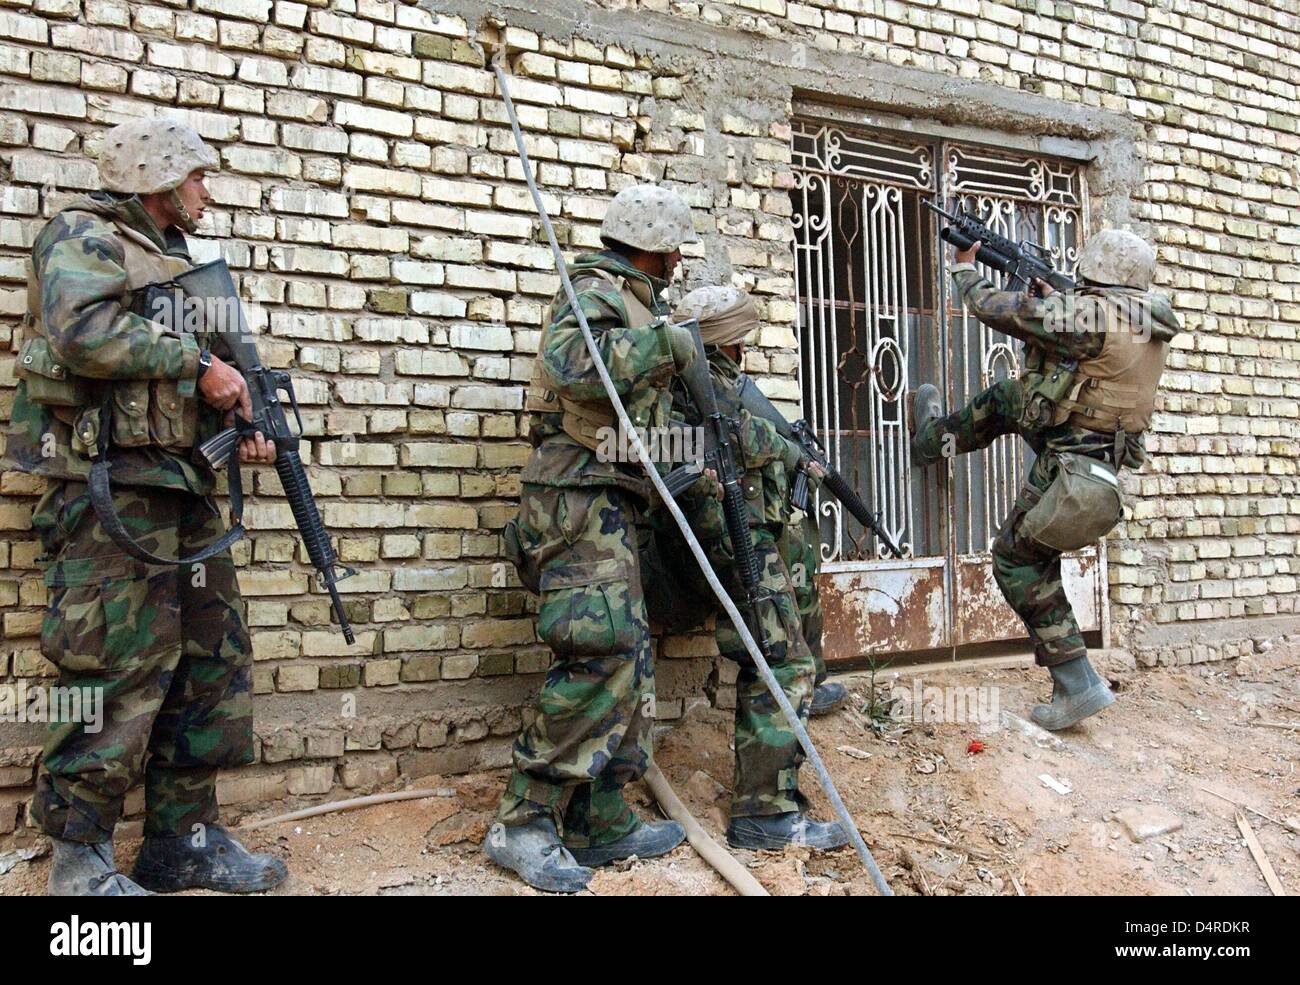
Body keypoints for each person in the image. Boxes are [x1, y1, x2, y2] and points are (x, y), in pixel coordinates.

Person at [2, 118, 286, 894]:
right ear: (160, 179)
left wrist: (243, 420)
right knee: (114, 672)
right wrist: (200, 366)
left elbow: (198, 380)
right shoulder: (81, 235)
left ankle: (183, 840)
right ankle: (76, 860)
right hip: (107, 496)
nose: (205, 191)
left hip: (181, 489)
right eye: (196, 176)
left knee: (211, 661)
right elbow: (82, 332)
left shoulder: (178, 263)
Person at [488, 185, 703, 892]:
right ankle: (524, 820)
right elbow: (571, 363)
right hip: (574, 499)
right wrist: (664, 343)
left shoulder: (638, 296)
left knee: (630, 659)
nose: (677, 259)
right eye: (673, 245)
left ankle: (600, 815)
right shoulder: (592, 289)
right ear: (650, 242)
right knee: (596, 654)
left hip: (612, 500)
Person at [909, 230, 1181, 730]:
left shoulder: (1092, 316)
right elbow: (1093, 353)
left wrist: (965, 266)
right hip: (1095, 458)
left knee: (1016, 560)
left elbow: (997, 309)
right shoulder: (1144, 319)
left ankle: (1077, 682)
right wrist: (1056, 302)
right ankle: (934, 440)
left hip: (1068, 463)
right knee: (1008, 399)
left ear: (1097, 270)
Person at [670, 285, 848, 851]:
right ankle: (765, 815)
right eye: (740, 340)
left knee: (782, 657)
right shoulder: (694, 396)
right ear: (723, 345)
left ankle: (770, 801)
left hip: (739, 529)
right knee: (782, 662)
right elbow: (726, 443)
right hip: (729, 534)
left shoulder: (713, 385)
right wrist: (781, 443)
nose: (745, 350)